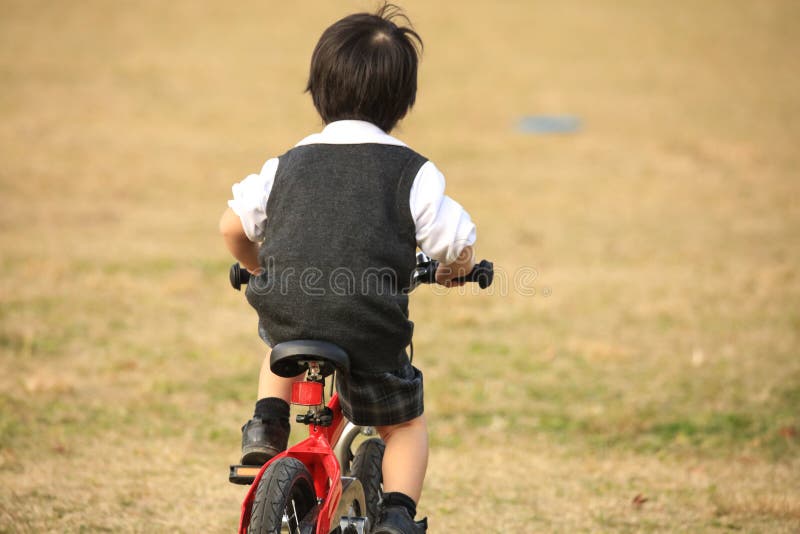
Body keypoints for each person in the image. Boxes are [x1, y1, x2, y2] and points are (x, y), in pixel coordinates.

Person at [219, 5, 476, 533]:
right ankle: (398, 516)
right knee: (404, 425)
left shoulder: (286, 163)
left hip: (290, 308)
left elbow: (231, 227)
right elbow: (455, 242)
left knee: (280, 339)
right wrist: (457, 269)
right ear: (402, 101)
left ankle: (266, 426)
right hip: (367, 324)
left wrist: (260, 268)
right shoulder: (412, 171)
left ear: (318, 89)